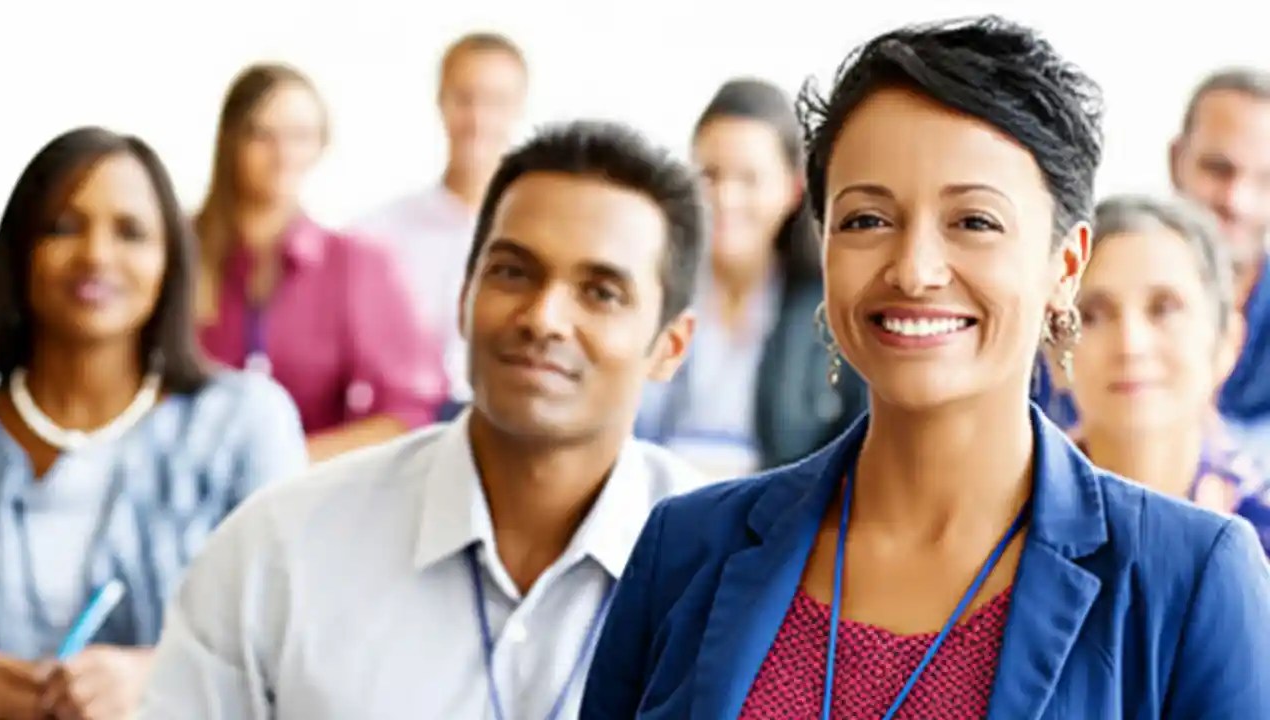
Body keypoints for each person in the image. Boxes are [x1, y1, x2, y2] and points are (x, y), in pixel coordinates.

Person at [581, 16, 1270, 719]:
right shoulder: (685, 549)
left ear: (1065, 266)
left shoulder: (1189, 577)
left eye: (974, 221)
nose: (913, 270)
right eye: (866, 220)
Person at [140, 121, 710, 719]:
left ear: (670, 345)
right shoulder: (278, 553)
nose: (544, 318)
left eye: (601, 292)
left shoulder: (728, 577)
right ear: (464, 299)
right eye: (513, 272)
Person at [0, 127, 306, 720]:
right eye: (62, 226)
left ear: (170, 261)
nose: (96, 255)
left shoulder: (242, 423)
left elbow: (296, 645)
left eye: (130, 232)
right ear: (19, 249)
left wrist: (161, 678)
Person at [196, 62, 446, 461]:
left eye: (300, 136)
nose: (283, 155)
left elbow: (409, 414)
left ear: (320, 146)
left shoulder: (357, 265)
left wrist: (283, 463)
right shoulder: (175, 253)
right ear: (229, 140)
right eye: (263, 134)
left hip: (305, 488)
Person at [635, 79, 867, 474]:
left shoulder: (830, 309)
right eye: (709, 175)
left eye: (749, 179)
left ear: (793, 189)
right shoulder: (651, 288)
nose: (725, 198)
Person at [1067, 195, 1270, 553]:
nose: (1130, 344)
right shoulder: (999, 527)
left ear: (1227, 340)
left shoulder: (1260, 530)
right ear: (1055, 352)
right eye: (1094, 314)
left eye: (1164, 309)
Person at [353, 32, 529, 417]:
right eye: (464, 98)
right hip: (402, 429)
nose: (478, 119)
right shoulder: (376, 236)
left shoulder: (545, 234)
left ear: (519, 107)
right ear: (440, 101)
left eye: (496, 102)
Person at [1170, 68, 1270, 465]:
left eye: (1266, 180)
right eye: (1218, 169)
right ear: (1177, 160)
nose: (1237, 200)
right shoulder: (1086, 300)